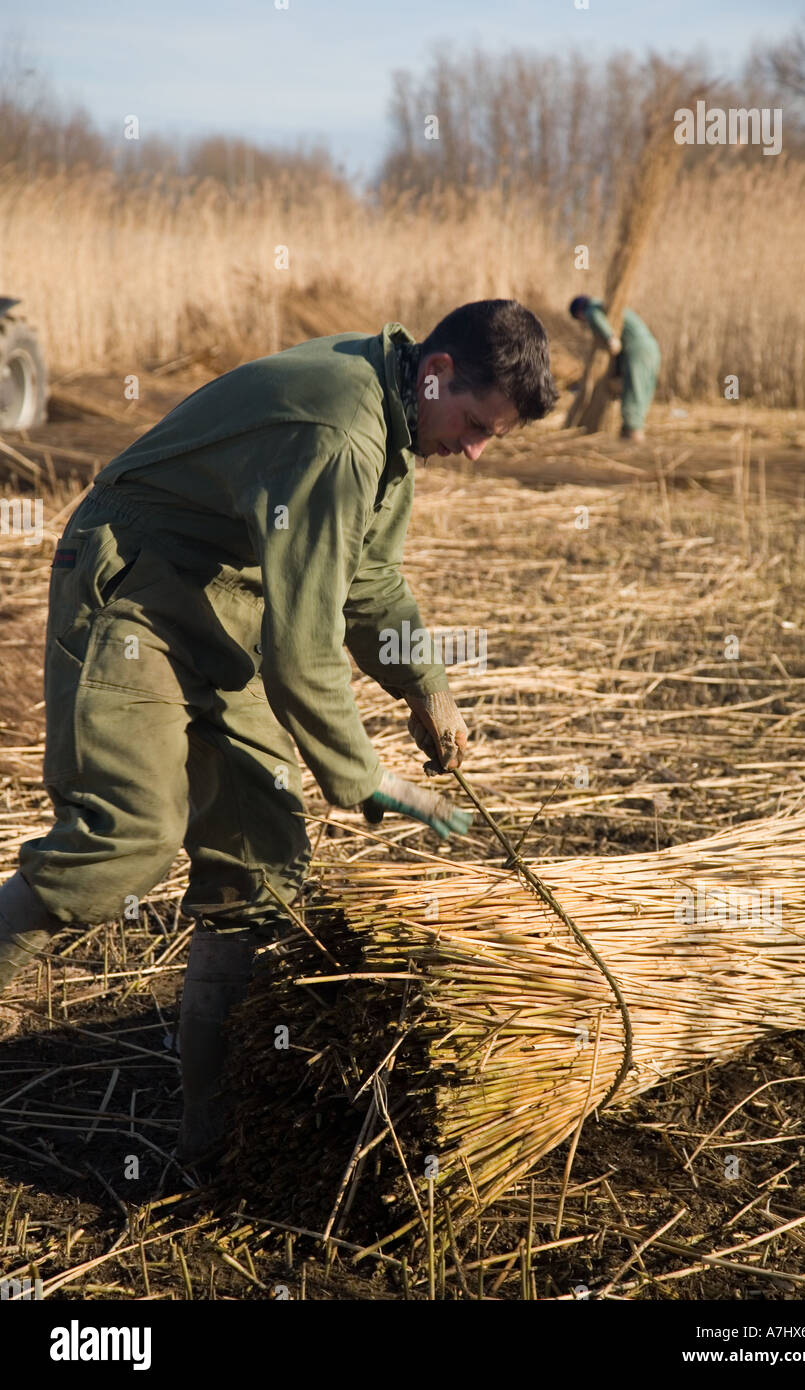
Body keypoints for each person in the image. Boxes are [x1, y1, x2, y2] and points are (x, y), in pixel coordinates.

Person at [0, 299, 558, 1167]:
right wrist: (363, 775)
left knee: (261, 858)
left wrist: (426, 688)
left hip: (222, 603)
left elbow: (369, 581)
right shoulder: (341, 430)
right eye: (477, 426)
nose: (476, 450)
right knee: (128, 839)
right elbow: (302, 651)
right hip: (137, 592)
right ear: (439, 372)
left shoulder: (395, 419)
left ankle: (210, 1146)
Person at [569, 295, 660, 441]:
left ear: (579, 314)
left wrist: (610, 338)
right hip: (651, 347)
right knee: (643, 390)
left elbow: (593, 316)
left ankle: (633, 433)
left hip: (637, 350)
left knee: (633, 389)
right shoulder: (607, 306)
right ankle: (630, 430)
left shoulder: (592, 309)